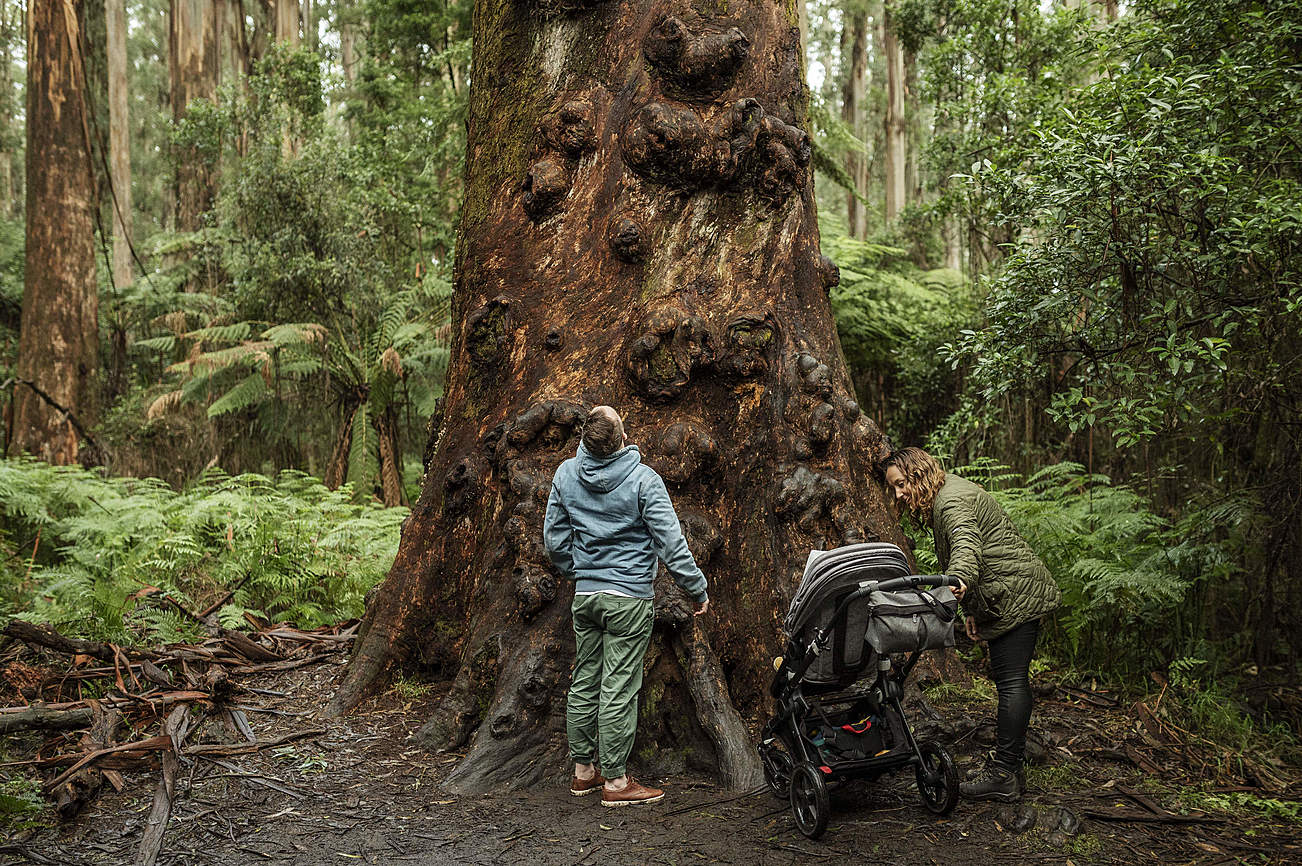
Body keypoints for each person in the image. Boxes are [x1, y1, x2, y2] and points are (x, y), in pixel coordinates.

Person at [544, 406, 709, 807]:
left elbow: (553, 540)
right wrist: (697, 589)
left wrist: (579, 572)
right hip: (629, 598)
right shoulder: (643, 480)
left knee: (585, 679)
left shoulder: (566, 475)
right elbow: (671, 543)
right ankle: (616, 783)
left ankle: (583, 772)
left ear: (586, 438)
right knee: (617, 686)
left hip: (586, 597)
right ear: (621, 436)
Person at [880, 447, 1060, 802]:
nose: (899, 494)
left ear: (917, 474)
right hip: (1005, 592)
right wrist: (972, 610)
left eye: (901, 484)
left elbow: (966, 545)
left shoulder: (950, 504)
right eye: (894, 488)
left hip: (1015, 594)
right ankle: (1010, 764)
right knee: (1010, 681)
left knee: (1011, 683)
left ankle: (1005, 774)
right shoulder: (948, 492)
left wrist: (958, 578)